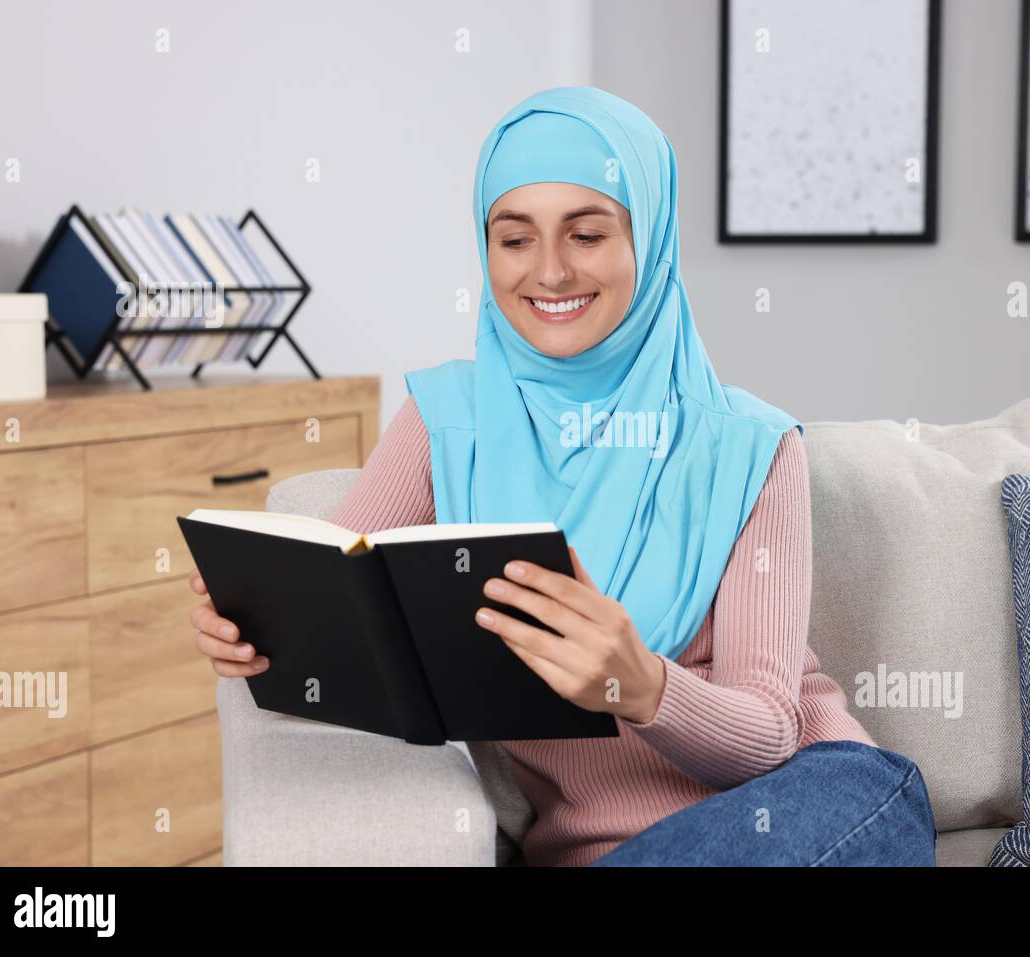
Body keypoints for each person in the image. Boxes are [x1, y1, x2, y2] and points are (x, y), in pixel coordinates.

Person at [188, 85, 937, 867]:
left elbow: (771, 734)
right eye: (515, 240)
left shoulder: (751, 447)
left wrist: (641, 682)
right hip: (615, 853)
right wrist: (251, 630)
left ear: (645, 239)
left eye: (585, 234)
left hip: (821, 803)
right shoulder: (448, 421)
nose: (549, 272)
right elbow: (328, 599)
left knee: (838, 813)